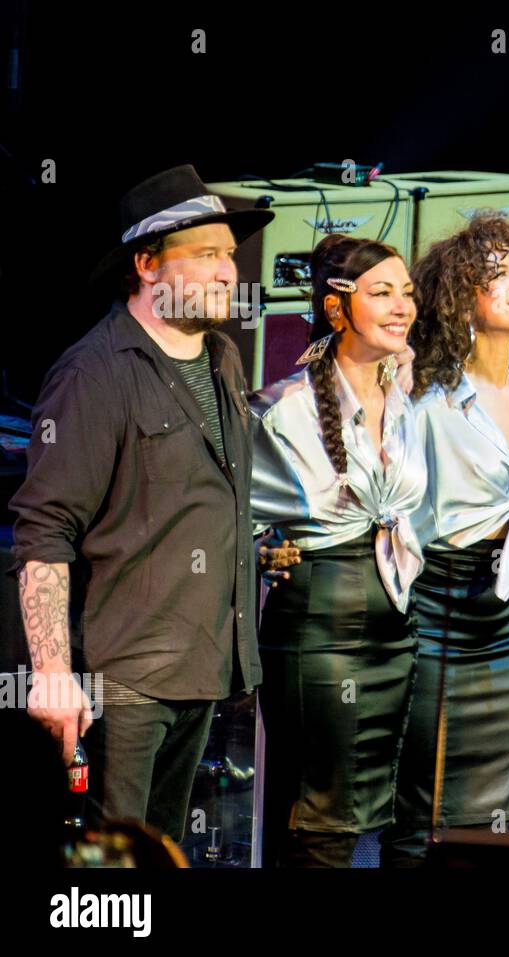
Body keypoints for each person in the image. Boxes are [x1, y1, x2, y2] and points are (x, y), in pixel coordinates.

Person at [9, 164, 268, 844]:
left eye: (229, 256)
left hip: (203, 665)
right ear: (147, 264)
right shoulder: (94, 372)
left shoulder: (223, 359)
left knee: (163, 852)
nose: (226, 272)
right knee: (113, 861)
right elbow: (44, 529)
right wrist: (53, 674)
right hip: (125, 680)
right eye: (206, 254)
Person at [378, 212, 509, 864]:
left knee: (487, 821)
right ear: (462, 302)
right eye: (498, 276)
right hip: (437, 622)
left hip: (504, 627)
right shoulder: (426, 401)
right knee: (421, 818)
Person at [250, 233, 426, 867]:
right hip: (322, 633)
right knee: (323, 816)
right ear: (335, 309)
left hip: (395, 628)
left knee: (378, 816)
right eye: (382, 292)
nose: (402, 305)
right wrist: (267, 554)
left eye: (407, 292)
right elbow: (225, 522)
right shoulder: (284, 409)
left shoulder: (406, 401)